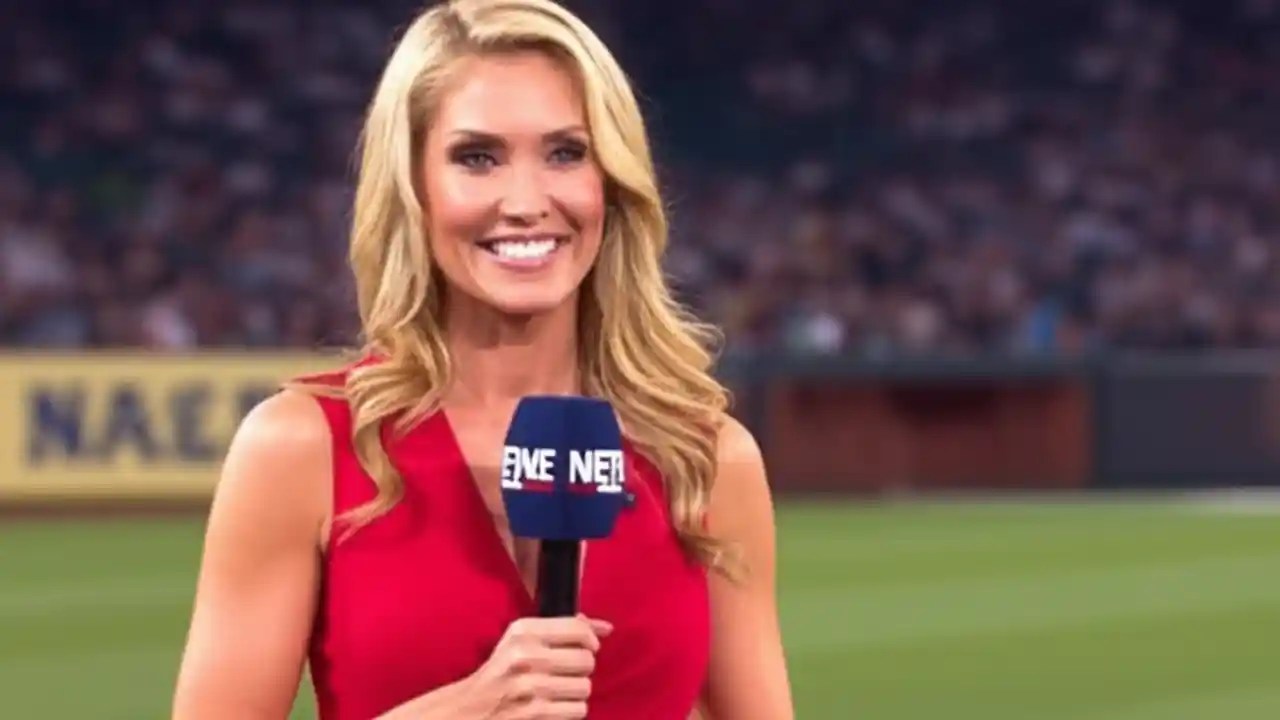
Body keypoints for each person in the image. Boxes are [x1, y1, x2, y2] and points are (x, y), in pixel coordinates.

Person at [171, 0, 793, 717]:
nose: (526, 201)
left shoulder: (706, 459)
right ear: (414, 187)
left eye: (566, 152)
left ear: (611, 183)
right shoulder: (303, 449)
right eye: (477, 158)